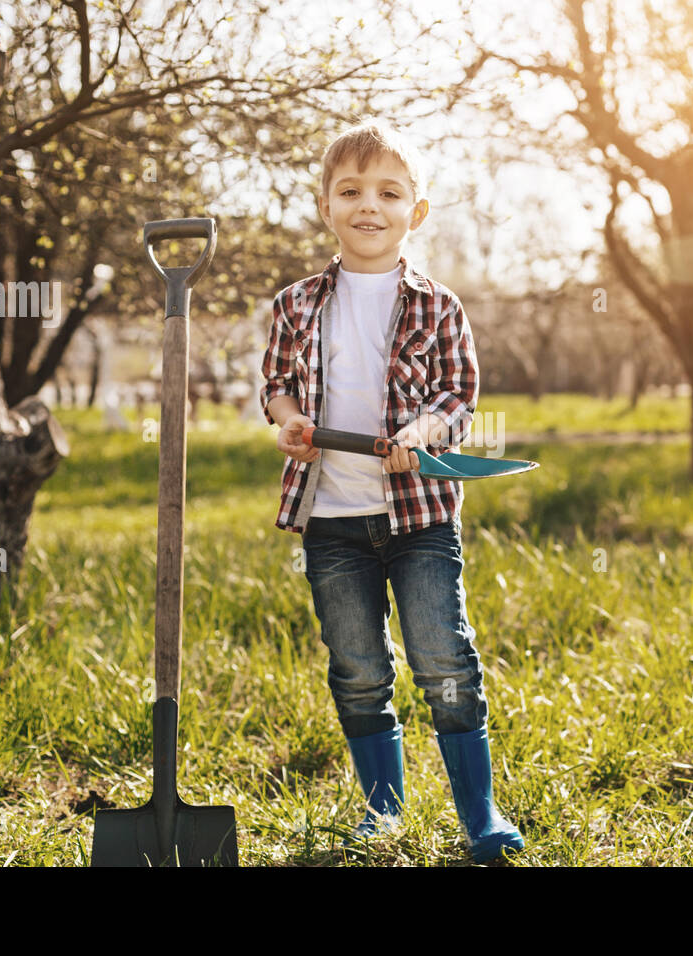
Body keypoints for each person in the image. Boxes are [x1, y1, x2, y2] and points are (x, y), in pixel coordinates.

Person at [258, 121, 525, 863]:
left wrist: (426, 433)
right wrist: (289, 423)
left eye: (388, 193)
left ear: (417, 210)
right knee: (358, 667)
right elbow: (276, 387)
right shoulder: (296, 304)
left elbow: (458, 396)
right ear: (326, 206)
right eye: (350, 192)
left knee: (443, 660)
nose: (367, 206)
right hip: (333, 520)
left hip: (419, 522)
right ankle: (383, 813)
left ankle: (482, 816)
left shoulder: (439, 307)